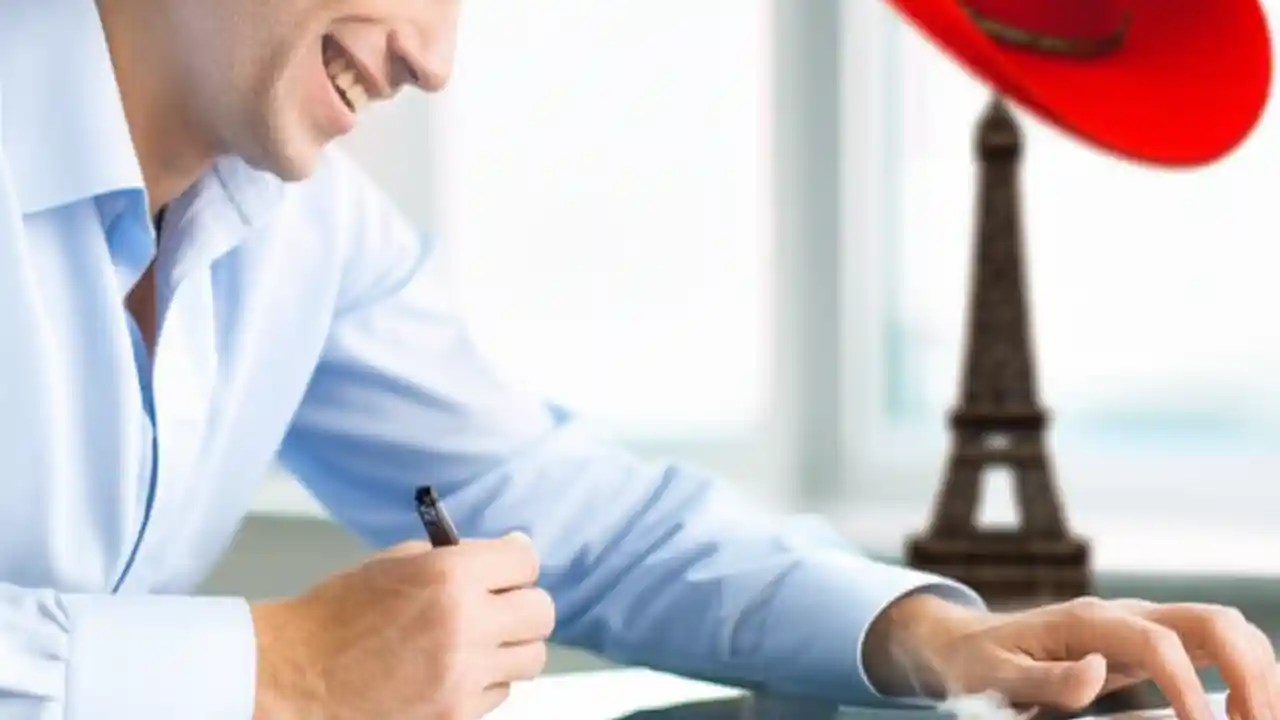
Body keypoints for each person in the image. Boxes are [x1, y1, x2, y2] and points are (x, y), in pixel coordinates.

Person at [0, 0, 1273, 718]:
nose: (433, 60)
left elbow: (573, 516)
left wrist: (929, 633)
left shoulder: (306, 226)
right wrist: (277, 669)